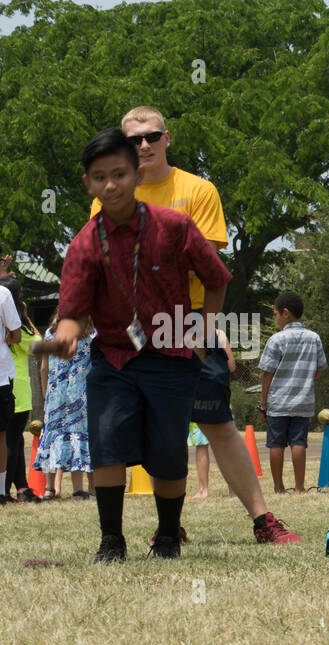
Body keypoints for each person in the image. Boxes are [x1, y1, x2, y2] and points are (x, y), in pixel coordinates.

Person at [93, 106, 299, 544]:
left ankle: (264, 521)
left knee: (218, 424)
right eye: (134, 140)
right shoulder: (108, 191)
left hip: (184, 326)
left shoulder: (197, 190)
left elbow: (199, 262)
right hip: (128, 332)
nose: (143, 146)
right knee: (150, 431)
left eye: (152, 137)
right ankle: (168, 527)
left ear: (168, 138)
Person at [55, 128, 232, 562]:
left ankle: (168, 537)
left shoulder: (173, 226)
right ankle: (111, 541)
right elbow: (74, 311)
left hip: (172, 358)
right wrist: (68, 331)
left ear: (136, 175)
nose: (110, 184)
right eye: (100, 177)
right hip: (113, 359)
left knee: (169, 453)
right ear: (89, 185)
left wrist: (202, 334)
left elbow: (216, 279)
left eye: (119, 173)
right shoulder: (83, 245)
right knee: (107, 444)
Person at [259, 292, 326, 495]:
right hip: (303, 400)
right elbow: (319, 368)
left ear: (285, 313)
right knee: (299, 442)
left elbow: (267, 374)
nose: (275, 318)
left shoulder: (276, 340)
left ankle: (279, 487)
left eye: (276, 314)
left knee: (276, 443)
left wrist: (263, 404)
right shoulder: (314, 338)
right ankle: (299, 487)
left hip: (278, 402)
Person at [33, 318, 93, 500]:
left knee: (52, 435)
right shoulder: (90, 337)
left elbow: (44, 368)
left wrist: (45, 394)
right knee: (77, 435)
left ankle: (49, 489)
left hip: (55, 393)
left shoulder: (51, 335)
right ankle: (77, 490)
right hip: (79, 394)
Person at [1, 278, 41, 501]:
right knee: (11, 442)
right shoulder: (20, 329)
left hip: (6, 385)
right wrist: (25, 316)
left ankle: (22, 487)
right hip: (19, 391)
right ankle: (4, 489)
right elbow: (39, 341)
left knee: (15, 440)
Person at [0, 276, 22, 504]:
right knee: (1, 436)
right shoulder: (3, 294)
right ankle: (0, 492)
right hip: (0, 375)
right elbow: (16, 334)